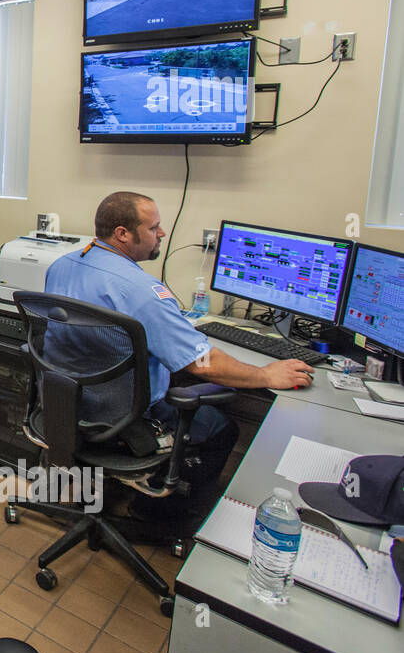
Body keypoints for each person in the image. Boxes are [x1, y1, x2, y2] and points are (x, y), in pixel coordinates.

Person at [44, 191, 313, 517]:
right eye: (154, 227)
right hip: (126, 419)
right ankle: (158, 517)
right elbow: (202, 363)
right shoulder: (143, 292)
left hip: (68, 405)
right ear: (123, 234)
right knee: (222, 428)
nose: (162, 233)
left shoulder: (62, 265)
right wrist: (265, 375)